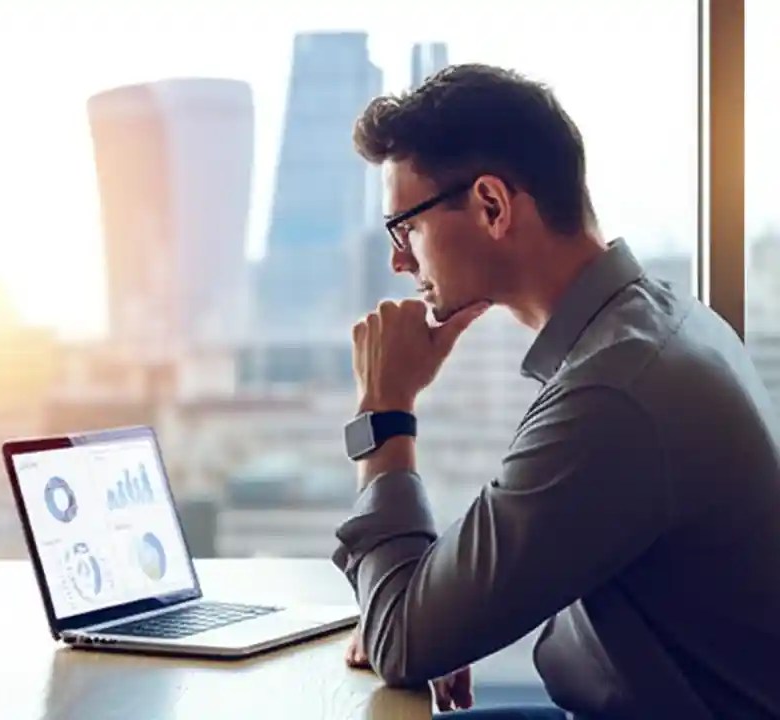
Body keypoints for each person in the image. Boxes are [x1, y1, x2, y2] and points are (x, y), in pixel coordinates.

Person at [331, 64, 780, 718]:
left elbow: (400, 640)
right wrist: (450, 610)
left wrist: (382, 411)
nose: (399, 260)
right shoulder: (657, 323)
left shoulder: (615, 391)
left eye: (406, 227)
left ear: (492, 205)